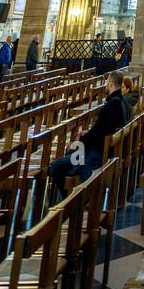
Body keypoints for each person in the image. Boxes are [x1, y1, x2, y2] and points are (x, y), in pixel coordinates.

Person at [49, 71, 127, 203]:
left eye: (107, 83)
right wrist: (88, 133)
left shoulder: (111, 106)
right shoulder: (122, 103)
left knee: (56, 167)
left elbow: (96, 136)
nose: (106, 86)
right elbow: (101, 130)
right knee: (68, 155)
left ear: (112, 84)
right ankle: (70, 202)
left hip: (93, 155)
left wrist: (78, 141)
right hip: (102, 150)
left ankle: (69, 203)